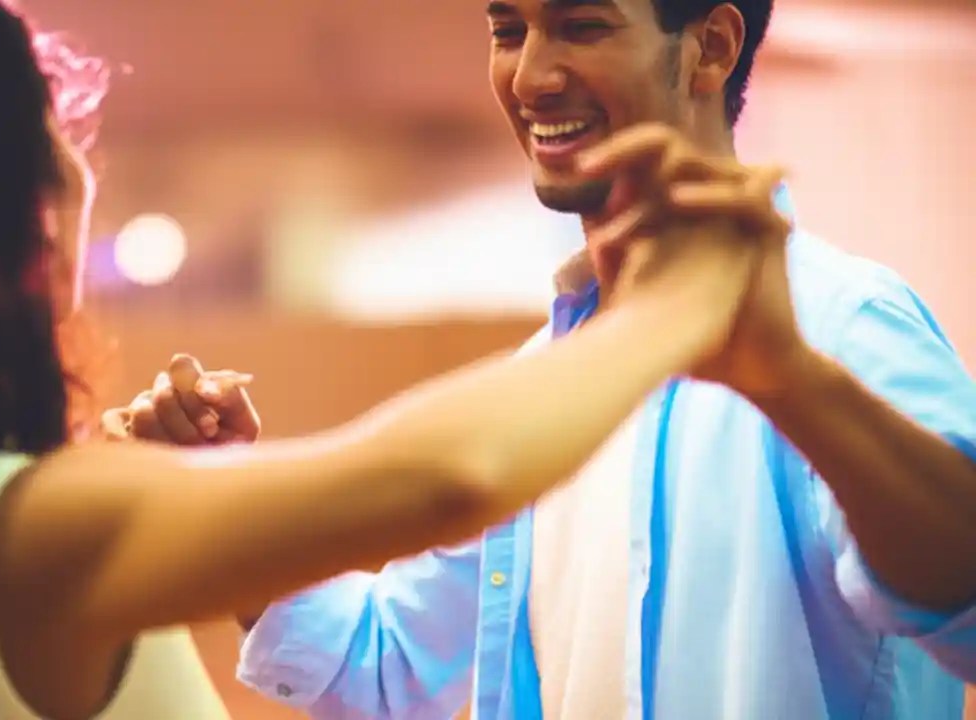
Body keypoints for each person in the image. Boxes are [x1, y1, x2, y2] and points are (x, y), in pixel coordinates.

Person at [0, 1, 784, 718]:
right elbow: (444, 476)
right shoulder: (37, 528)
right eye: (55, 130)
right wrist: (678, 300)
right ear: (8, 214)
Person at [122, 0, 976, 717]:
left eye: (581, 25)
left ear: (710, 48)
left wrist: (792, 379)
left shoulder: (844, 323)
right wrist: (217, 478)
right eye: (507, 29)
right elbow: (382, 666)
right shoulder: (550, 381)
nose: (529, 75)